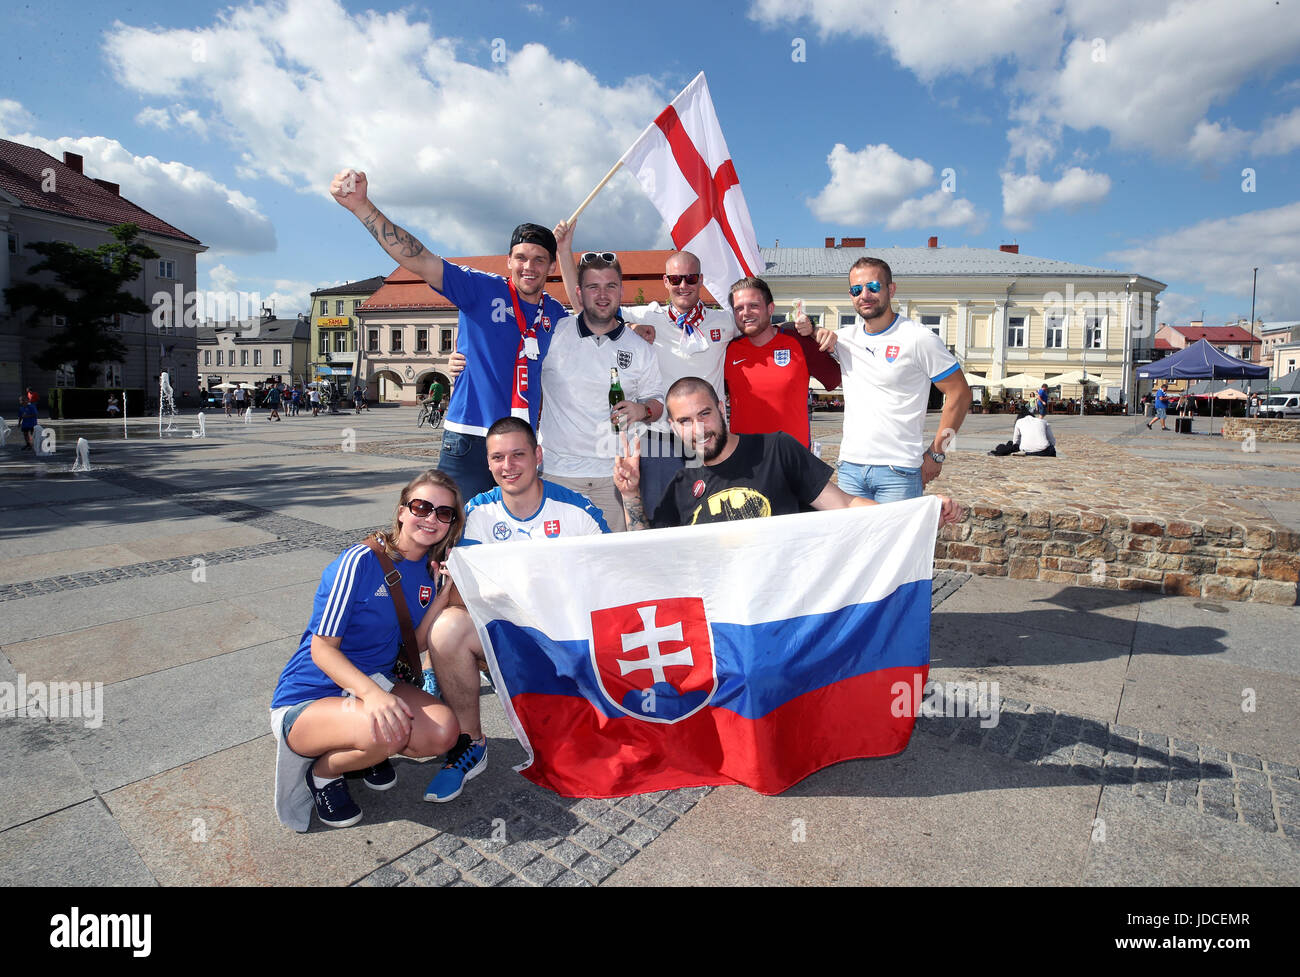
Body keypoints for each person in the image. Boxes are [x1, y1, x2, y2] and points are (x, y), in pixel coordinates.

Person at [331, 168, 567, 500]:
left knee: (515, 538)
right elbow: (420, 259)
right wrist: (361, 207)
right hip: (469, 435)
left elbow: (595, 326)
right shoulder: (480, 289)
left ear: (552, 267)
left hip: (521, 443)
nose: (530, 266)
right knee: (453, 531)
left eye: (540, 260)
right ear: (508, 262)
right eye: (521, 258)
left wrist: (638, 328)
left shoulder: (554, 314)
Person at [422, 417, 609, 802]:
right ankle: (470, 743)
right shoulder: (477, 513)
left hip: (570, 641)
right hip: (510, 637)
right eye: (498, 458)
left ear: (538, 456)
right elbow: (464, 594)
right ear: (488, 464)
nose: (508, 466)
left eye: (518, 455)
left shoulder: (577, 512)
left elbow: (610, 587)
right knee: (447, 629)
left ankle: (577, 708)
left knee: (588, 754)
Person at [270, 470, 463, 829]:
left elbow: (412, 645)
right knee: (385, 729)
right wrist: (372, 696)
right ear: (403, 511)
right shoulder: (360, 561)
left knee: (443, 731)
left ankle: (365, 749)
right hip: (310, 694)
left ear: (451, 523)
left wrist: (441, 596)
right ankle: (326, 772)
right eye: (422, 507)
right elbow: (322, 649)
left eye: (443, 512)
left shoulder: (427, 571)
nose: (431, 518)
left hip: (374, 683)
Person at [452, 252, 666, 532]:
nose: (602, 295)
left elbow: (659, 403)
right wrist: (460, 360)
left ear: (621, 290)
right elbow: (505, 353)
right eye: (593, 287)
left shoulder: (639, 348)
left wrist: (642, 409)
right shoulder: (554, 333)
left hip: (614, 474)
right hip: (558, 473)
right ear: (579, 292)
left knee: (609, 564)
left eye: (610, 286)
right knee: (557, 563)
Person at [613, 377, 962, 529]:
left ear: (722, 408)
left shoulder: (777, 450)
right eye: (685, 421)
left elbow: (845, 505)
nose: (699, 428)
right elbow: (649, 550)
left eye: (705, 414)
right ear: (673, 428)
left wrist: (921, 512)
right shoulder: (682, 483)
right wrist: (630, 495)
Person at [813, 257, 970, 501]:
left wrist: (937, 453)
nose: (865, 294)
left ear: (891, 289)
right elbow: (801, 336)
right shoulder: (843, 339)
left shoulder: (919, 338)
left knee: (897, 541)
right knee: (852, 540)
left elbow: (960, 394)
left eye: (873, 287)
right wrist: (810, 327)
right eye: (857, 289)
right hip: (850, 469)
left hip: (898, 472)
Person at [724, 276, 813, 448]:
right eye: (739, 308)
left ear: (770, 308)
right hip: (744, 461)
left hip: (792, 461)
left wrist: (817, 330)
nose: (746, 313)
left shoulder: (800, 342)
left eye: (754, 306)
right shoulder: (728, 351)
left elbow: (839, 376)